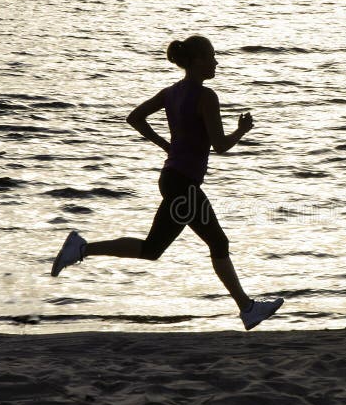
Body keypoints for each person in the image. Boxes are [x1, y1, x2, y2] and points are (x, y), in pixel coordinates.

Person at [50, 35, 283, 331]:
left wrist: (166, 146)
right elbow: (221, 146)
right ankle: (248, 309)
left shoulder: (171, 93)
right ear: (197, 61)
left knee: (152, 249)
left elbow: (135, 117)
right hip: (183, 184)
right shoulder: (206, 96)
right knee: (217, 242)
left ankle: (81, 249)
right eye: (212, 56)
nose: (216, 62)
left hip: (172, 179)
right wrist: (242, 130)